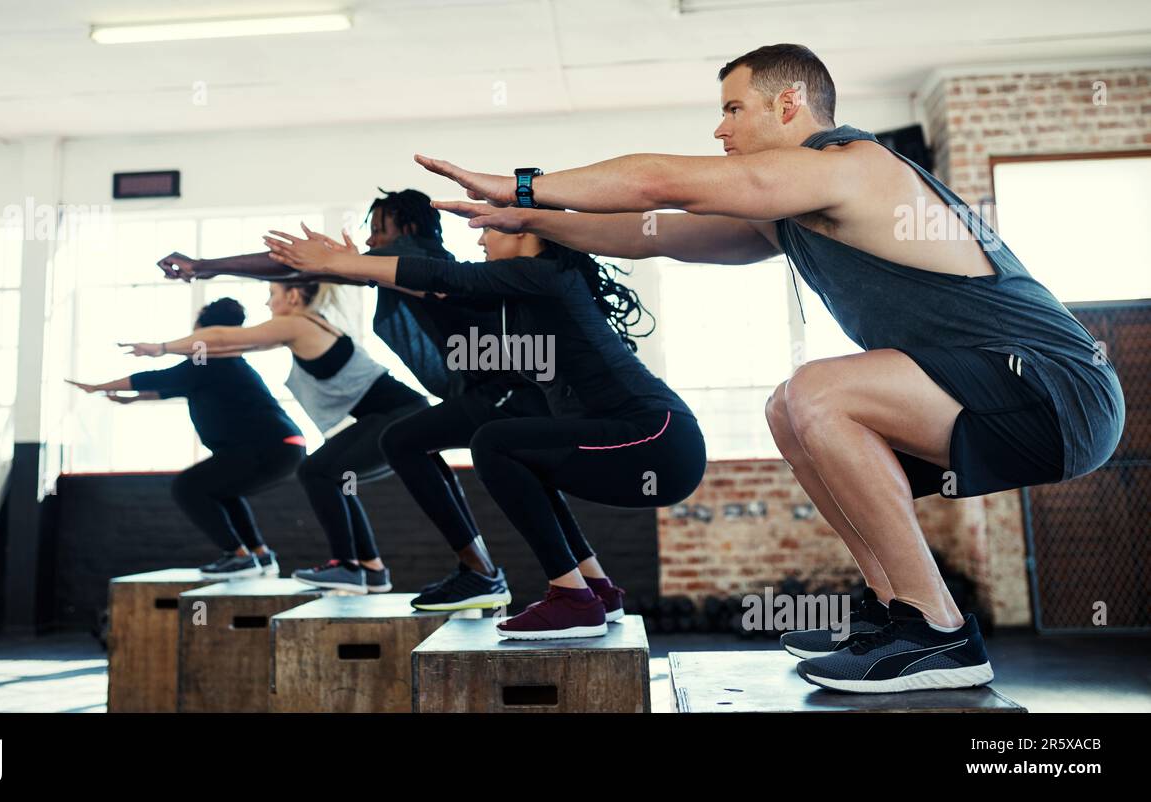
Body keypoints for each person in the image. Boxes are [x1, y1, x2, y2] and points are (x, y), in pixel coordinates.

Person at [414, 43, 1124, 689]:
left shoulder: (854, 169)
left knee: (817, 390)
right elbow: (649, 233)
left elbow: (661, 182)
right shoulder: (790, 211)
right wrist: (534, 222)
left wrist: (523, 186)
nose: (720, 131)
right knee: (787, 410)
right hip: (1001, 394)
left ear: (789, 107)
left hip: (1057, 389)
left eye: (732, 109)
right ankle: (895, 615)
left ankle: (940, 635)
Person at [262, 224, 707, 640]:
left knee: (495, 442)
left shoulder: (545, 275)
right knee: (523, 450)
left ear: (525, 233)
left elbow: (445, 273)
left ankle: (573, 600)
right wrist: (355, 263)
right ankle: (595, 589)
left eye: (488, 230)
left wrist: (343, 264)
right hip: (650, 443)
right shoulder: (526, 290)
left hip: (657, 441)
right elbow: (437, 286)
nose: (480, 243)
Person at [156, 190, 553, 612]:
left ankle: (451, 571)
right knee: (390, 452)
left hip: (498, 391)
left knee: (365, 455)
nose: (369, 243)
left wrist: (203, 270)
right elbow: (301, 271)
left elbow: (290, 273)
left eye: (377, 231)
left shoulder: (413, 260)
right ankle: (434, 570)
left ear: (407, 229)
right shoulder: (416, 263)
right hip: (478, 392)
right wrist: (208, 268)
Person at [119, 282, 427, 594]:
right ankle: (371, 569)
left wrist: (160, 348)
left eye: (272, 295)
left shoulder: (295, 324)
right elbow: (227, 344)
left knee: (316, 471)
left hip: (398, 413)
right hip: (394, 415)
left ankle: (346, 566)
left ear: (293, 296)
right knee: (332, 475)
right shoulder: (306, 325)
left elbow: (223, 337)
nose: (267, 303)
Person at [67, 297, 305, 579]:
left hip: (268, 447)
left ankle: (239, 556)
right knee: (220, 490)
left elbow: (155, 378)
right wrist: (132, 400)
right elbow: (171, 388)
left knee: (187, 487)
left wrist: (97, 387)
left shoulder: (207, 362)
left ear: (204, 330)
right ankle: (259, 555)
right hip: (285, 447)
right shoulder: (223, 365)